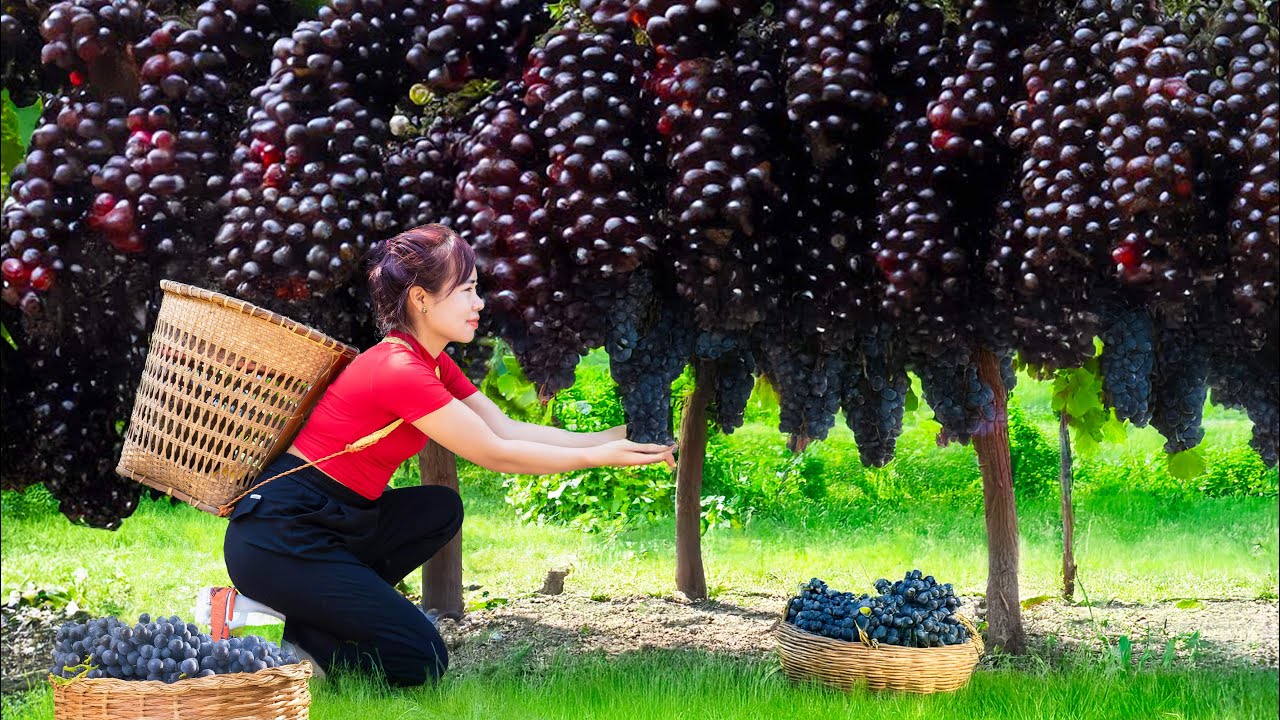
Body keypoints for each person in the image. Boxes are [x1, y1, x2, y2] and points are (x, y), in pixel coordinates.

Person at [222, 224, 675, 686]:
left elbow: (504, 427)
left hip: (338, 520)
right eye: (466, 290)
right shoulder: (398, 369)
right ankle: (280, 646)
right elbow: (497, 453)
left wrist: (609, 437)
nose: (479, 304)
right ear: (420, 299)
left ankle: (300, 621)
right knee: (421, 662)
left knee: (438, 509)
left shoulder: (433, 361)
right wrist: (601, 458)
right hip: (281, 536)